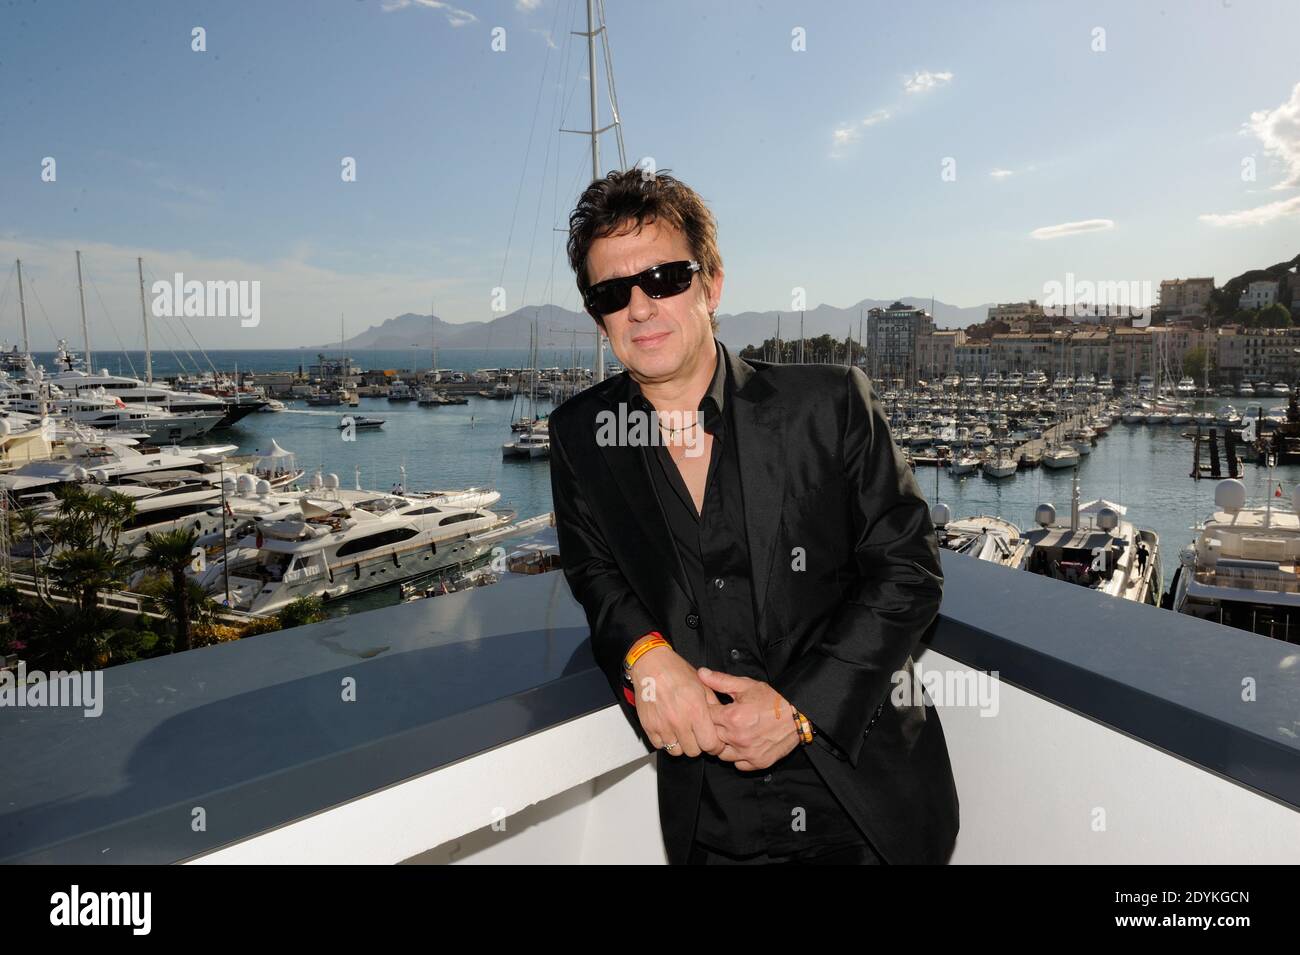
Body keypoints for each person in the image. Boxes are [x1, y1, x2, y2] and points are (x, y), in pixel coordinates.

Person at [548, 169, 958, 865]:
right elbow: (595, 572)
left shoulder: (828, 403)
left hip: (861, 804)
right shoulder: (580, 434)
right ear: (598, 317)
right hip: (712, 822)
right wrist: (646, 654)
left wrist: (800, 709)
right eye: (613, 293)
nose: (640, 307)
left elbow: (908, 570)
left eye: (664, 278)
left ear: (711, 285)